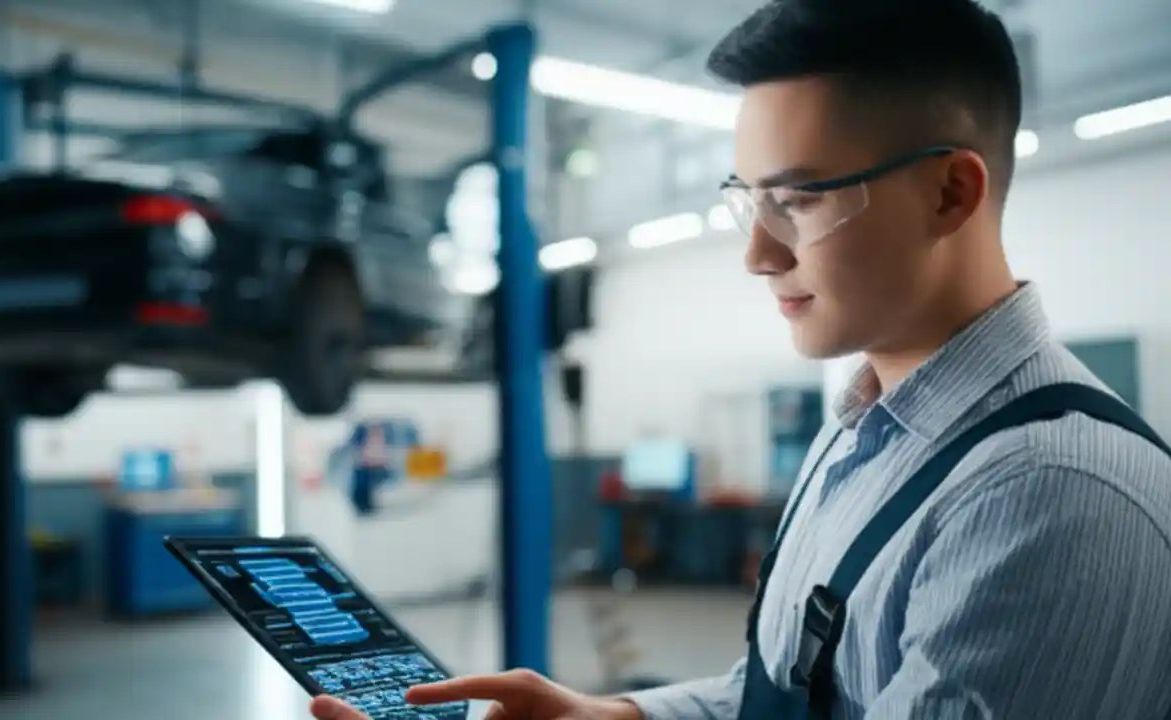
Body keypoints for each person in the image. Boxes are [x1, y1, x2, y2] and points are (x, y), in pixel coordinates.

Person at [312, 0, 1171, 718]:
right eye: (749, 202)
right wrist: (615, 716)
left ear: (951, 192)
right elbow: (790, 693)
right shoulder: (864, 432)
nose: (758, 253)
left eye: (796, 201)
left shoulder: (1047, 495)